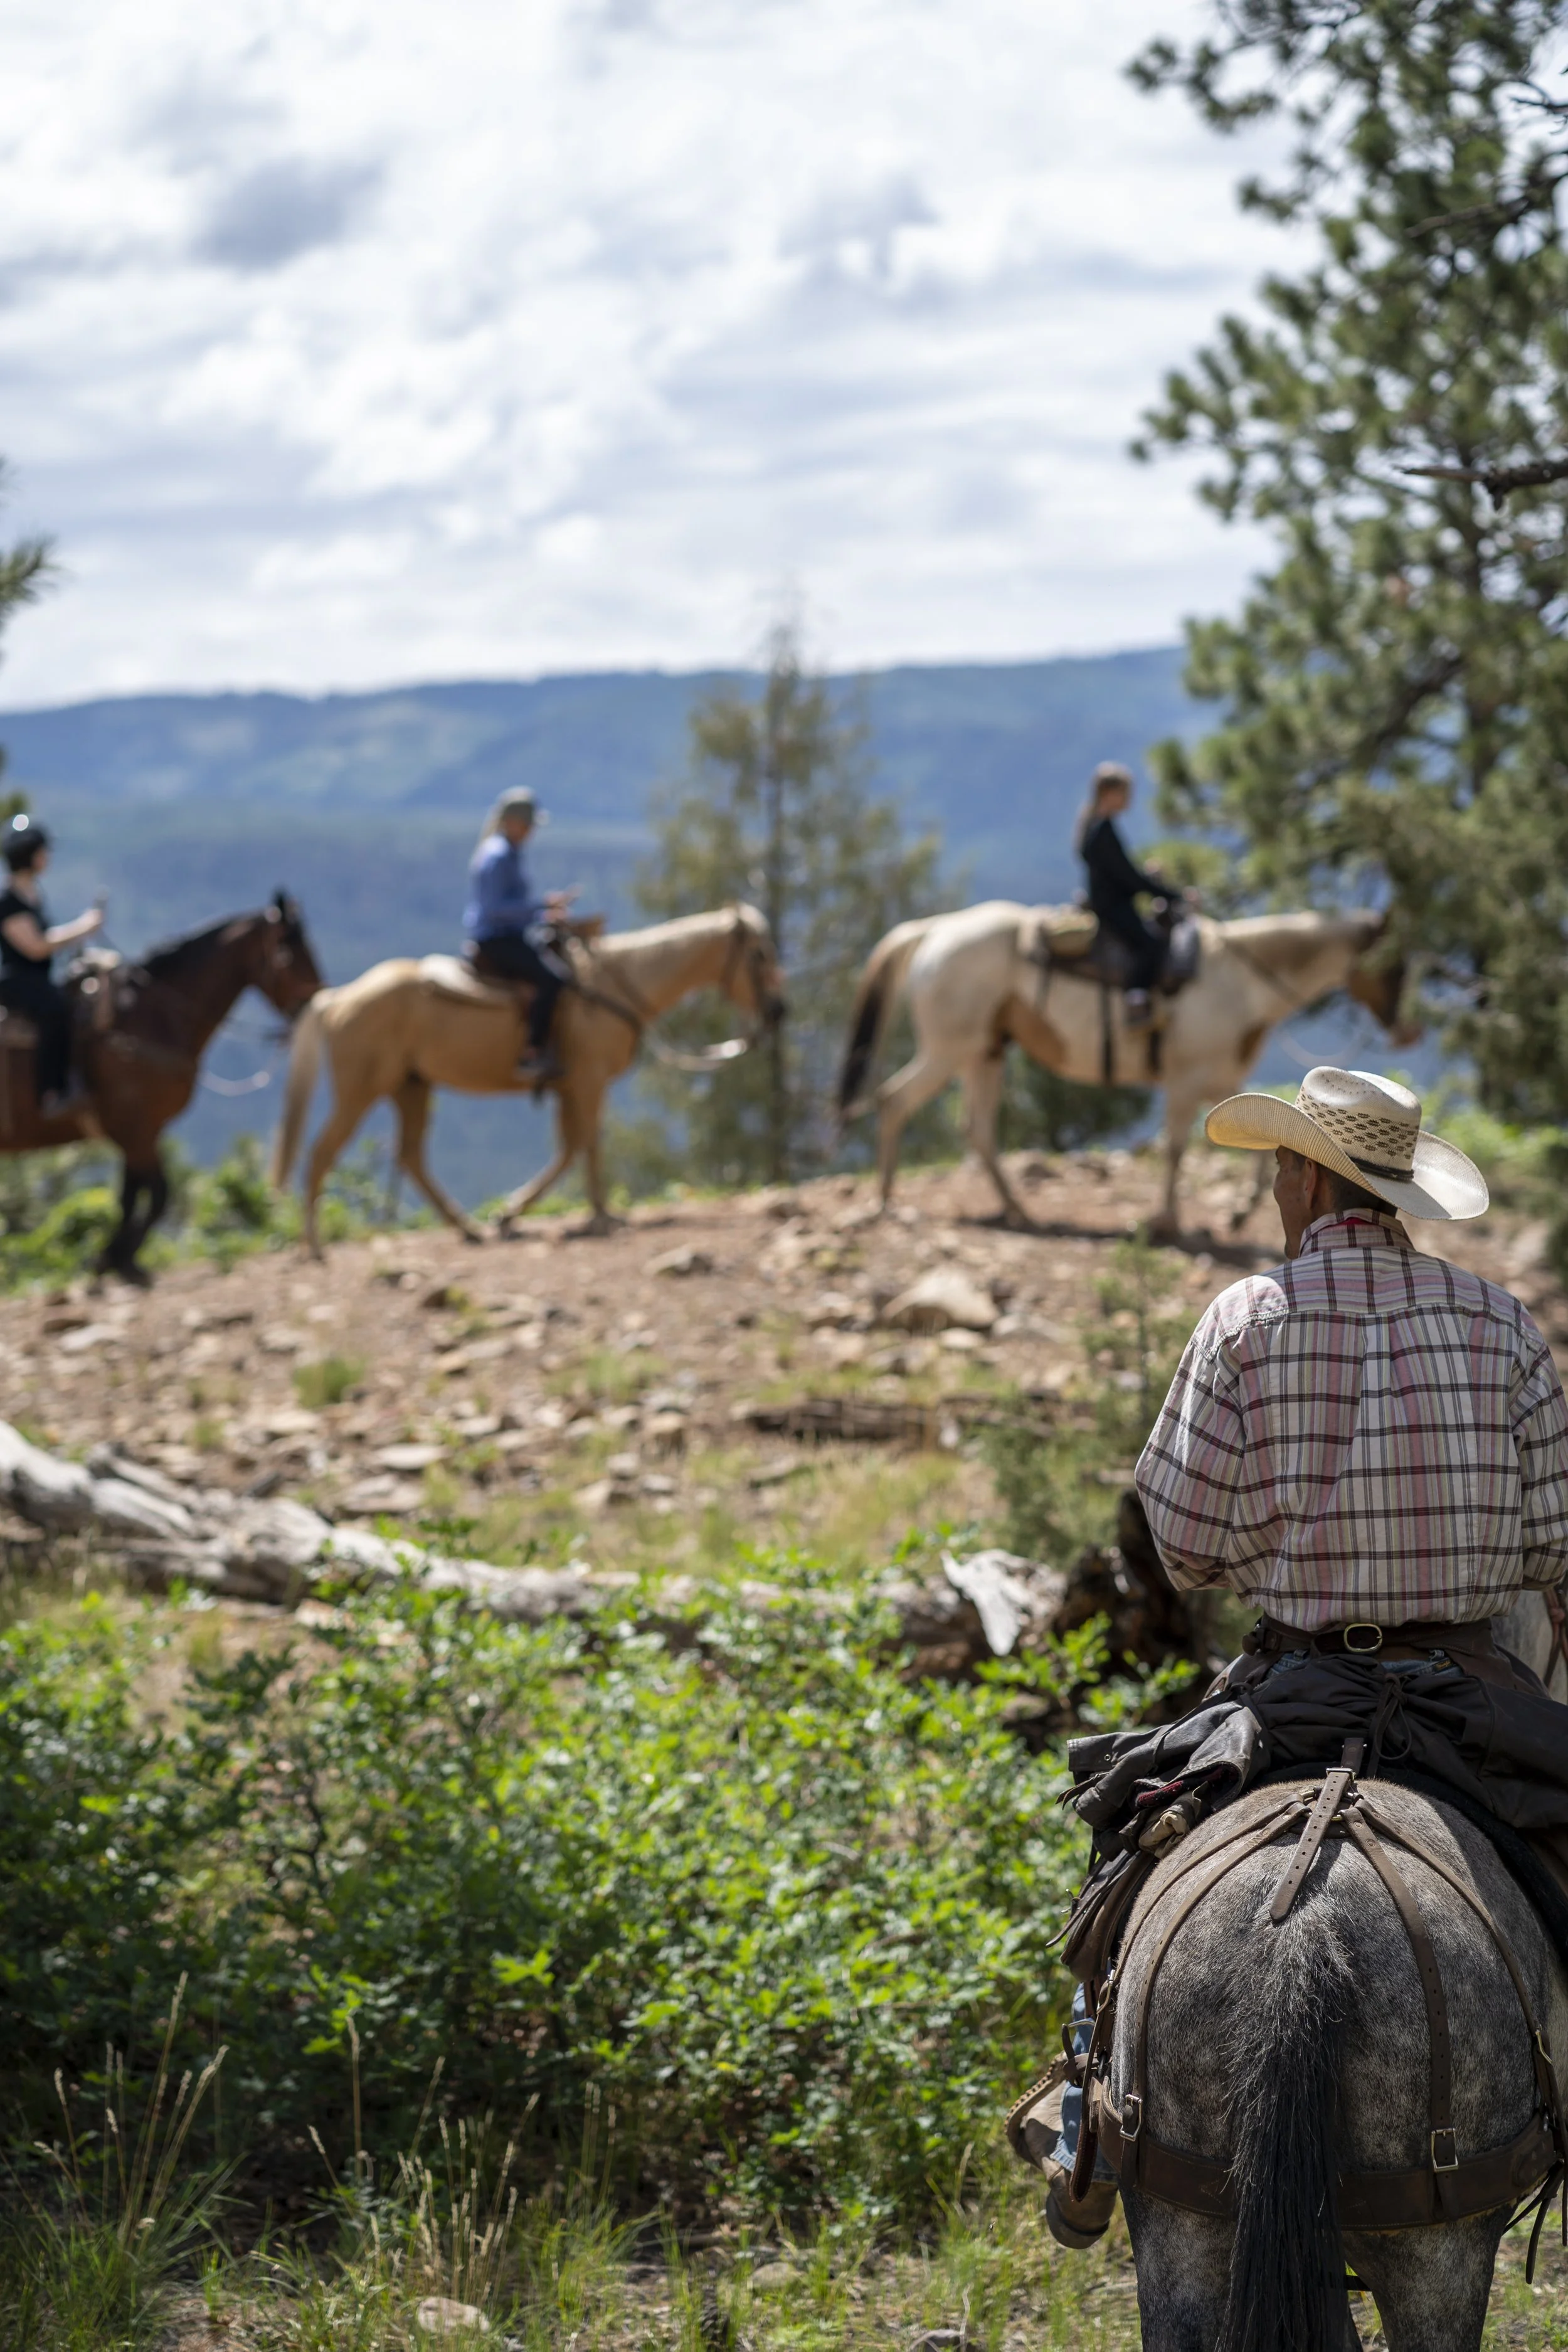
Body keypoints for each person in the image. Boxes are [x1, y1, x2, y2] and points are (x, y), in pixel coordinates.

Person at [1036, 1065, 1568, 2251]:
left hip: (1293, 1689)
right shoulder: (1501, 1322)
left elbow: (1183, 1542)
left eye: (1279, 1165)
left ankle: (1084, 2124)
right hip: (1471, 1694)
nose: (1272, 1185)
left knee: (1127, 1851)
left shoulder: (1247, 1317)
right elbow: (1554, 1538)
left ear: (1313, 1176)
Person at [463, 787, 574, 1085]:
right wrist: (541, 907)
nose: (530, 832)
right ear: (511, 822)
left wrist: (543, 914)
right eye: (528, 825)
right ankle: (533, 1052)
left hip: (508, 933)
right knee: (553, 978)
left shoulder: (506, 852)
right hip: (496, 939)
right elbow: (496, 909)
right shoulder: (498, 856)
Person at [0, 815, 105, 1116]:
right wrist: (84, 928)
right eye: (42, 852)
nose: (47, 858)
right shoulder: (8, 900)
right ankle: (51, 1091)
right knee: (56, 1010)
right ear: (28, 855)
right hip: (16, 980)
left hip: (38, 977)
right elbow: (36, 946)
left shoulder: (30, 894)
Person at [1075, 761, 1167, 1022]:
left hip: (1108, 902)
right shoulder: (1102, 831)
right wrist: (1170, 894)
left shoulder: (1096, 826)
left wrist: (1146, 879)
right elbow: (1127, 877)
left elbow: (1121, 872)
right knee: (1150, 945)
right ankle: (1137, 1001)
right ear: (1110, 793)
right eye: (1125, 793)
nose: (1129, 799)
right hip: (1112, 907)